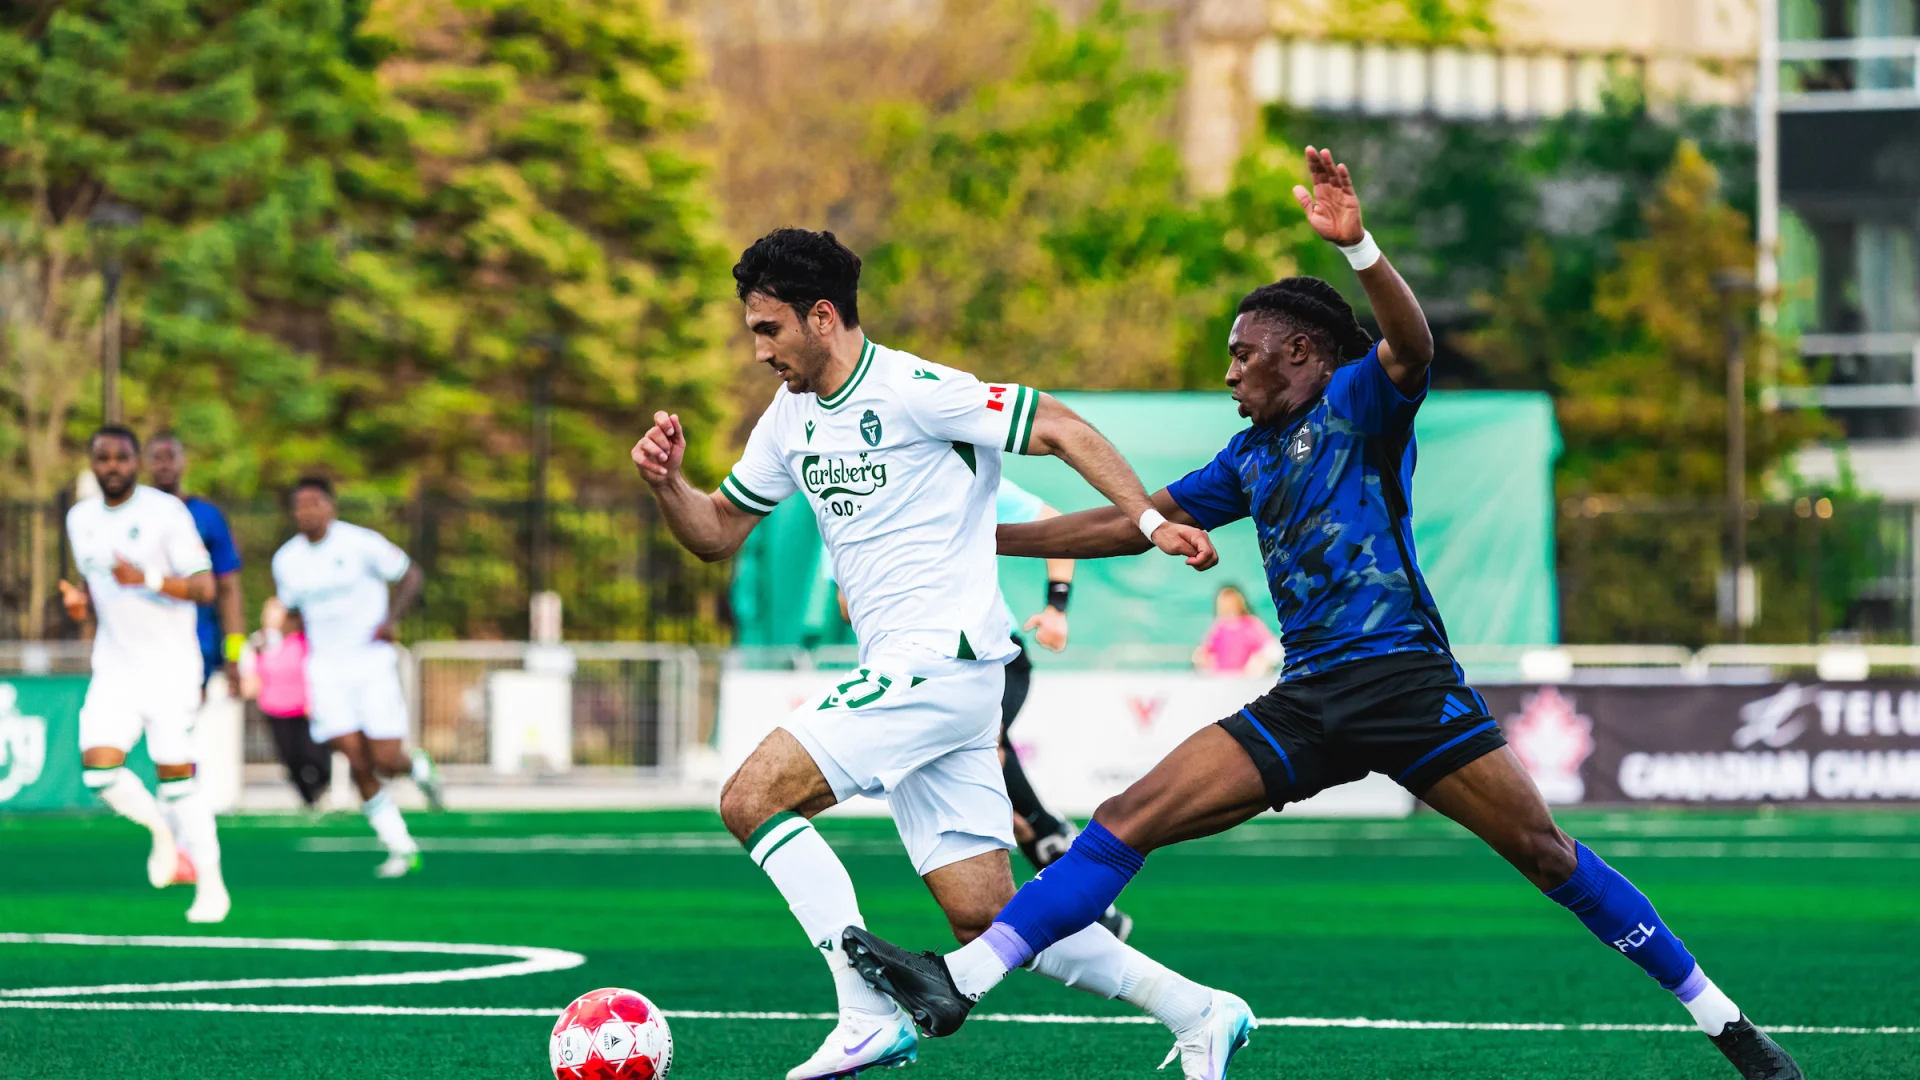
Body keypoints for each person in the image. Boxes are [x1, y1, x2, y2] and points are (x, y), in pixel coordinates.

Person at [839, 148, 1804, 1080]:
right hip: (1308, 702)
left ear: (1300, 353)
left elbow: (1414, 345)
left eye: (1240, 355)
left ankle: (1729, 1027)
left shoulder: (1360, 399)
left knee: (1547, 854)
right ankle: (959, 979)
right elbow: (1133, 524)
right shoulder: (1249, 456)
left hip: (1407, 685)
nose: (1228, 373)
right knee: (1128, 818)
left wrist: (1358, 248)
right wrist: (977, 542)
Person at [631, 228, 1247, 1080]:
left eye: (768, 329)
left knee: (750, 797)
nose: (759, 348)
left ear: (821, 316)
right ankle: (1200, 1010)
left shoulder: (918, 390)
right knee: (984, 916)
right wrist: (669, 485)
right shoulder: (788, 419)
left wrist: (1147, 520)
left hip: (941, 661)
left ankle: (862, 1013)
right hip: (931, 680)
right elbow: (714, 534)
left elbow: (1062, 426)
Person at [59, 425, 231, 923]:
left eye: (121, 457)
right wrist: (80, 606)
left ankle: (212, 887)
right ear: (92, 463)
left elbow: (205, 589)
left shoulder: (166, 513)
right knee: (99, 771)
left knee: (177, 776)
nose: (112, 465)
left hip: (171, 667)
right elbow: (103, 593)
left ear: (136, 462)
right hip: (115, 666)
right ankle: (162, 837)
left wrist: (147, 578)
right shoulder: (80, 518)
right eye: (102, 458)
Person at [271, 476, 442, 877]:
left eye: (315, 502)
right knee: (356, 759)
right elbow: (294, 611)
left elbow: (411, 575)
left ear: (331, 506)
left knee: (385, 758)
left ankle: (418, 769)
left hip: (370, 662)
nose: (307, 511)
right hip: (326, 670)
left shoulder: (361, 543)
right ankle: (401, 846)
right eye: (300, 505)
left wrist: (391, 619)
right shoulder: (286, 560)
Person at [990, 477, 1133, 941]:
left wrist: (1056, 605)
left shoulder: (957, 468)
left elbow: (1055, 525)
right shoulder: (846, 502)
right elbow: (849, 605)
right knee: (1007, 806)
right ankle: (1086, 903)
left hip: (992, 657)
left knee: (985, 757)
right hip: (915, 668)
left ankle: (1075, 905)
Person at [144, 433, 247, 698]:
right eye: (157, 458)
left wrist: (234, 653)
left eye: (171, 457)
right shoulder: (135, 516)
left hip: (197, 644)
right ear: (145, 463)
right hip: (144, 644)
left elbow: (229, 588)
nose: (164, 465)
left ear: (183, 463)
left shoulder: (207, 516)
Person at [245, 598, 329, 811]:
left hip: (303, 709)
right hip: (275, 709)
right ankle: (309, 799)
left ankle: (321, 786)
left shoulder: (303, 640)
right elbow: (251, 676)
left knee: (314, 755)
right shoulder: (258, 644)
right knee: (290, 758)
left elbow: (314, 670)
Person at [1191, 585, 1281, 676]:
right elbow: (1203, 651)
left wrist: (1259, 663)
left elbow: (1273, 649)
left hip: (1246, 680)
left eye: (1230, 602)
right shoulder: (1219, 627)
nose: (1227, 606)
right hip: (1222, 678)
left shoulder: (1251, 625)